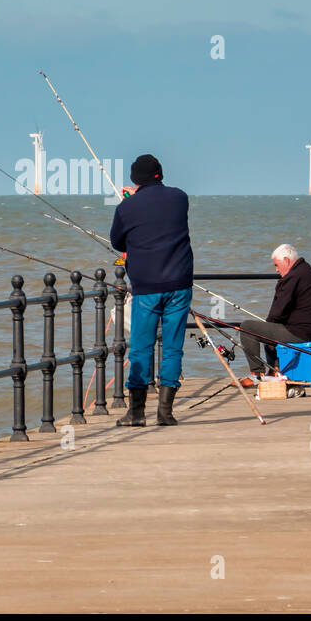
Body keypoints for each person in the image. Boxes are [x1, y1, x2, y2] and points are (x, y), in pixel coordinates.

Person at [109, 154, 193, 426]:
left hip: (146, 287)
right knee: (173, 348)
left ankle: (136, 413)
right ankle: (165, 412)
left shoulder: (127, 207)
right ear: (160, 174)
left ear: (135, 180)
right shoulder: (180, 198)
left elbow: (116, 240)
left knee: (141, 348)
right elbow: (161, 211)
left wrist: (130, 201)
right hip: (179, 284)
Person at [239, 244, 311, 387]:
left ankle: (256, 374)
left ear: (286, 260)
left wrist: (268, 335)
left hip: (301, 332)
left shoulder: (293, 277)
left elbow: (278, 311)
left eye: (277, 265)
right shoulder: (306, 271)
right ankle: (275, 371)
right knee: (269, 331)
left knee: (247, 327)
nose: (276, 270)